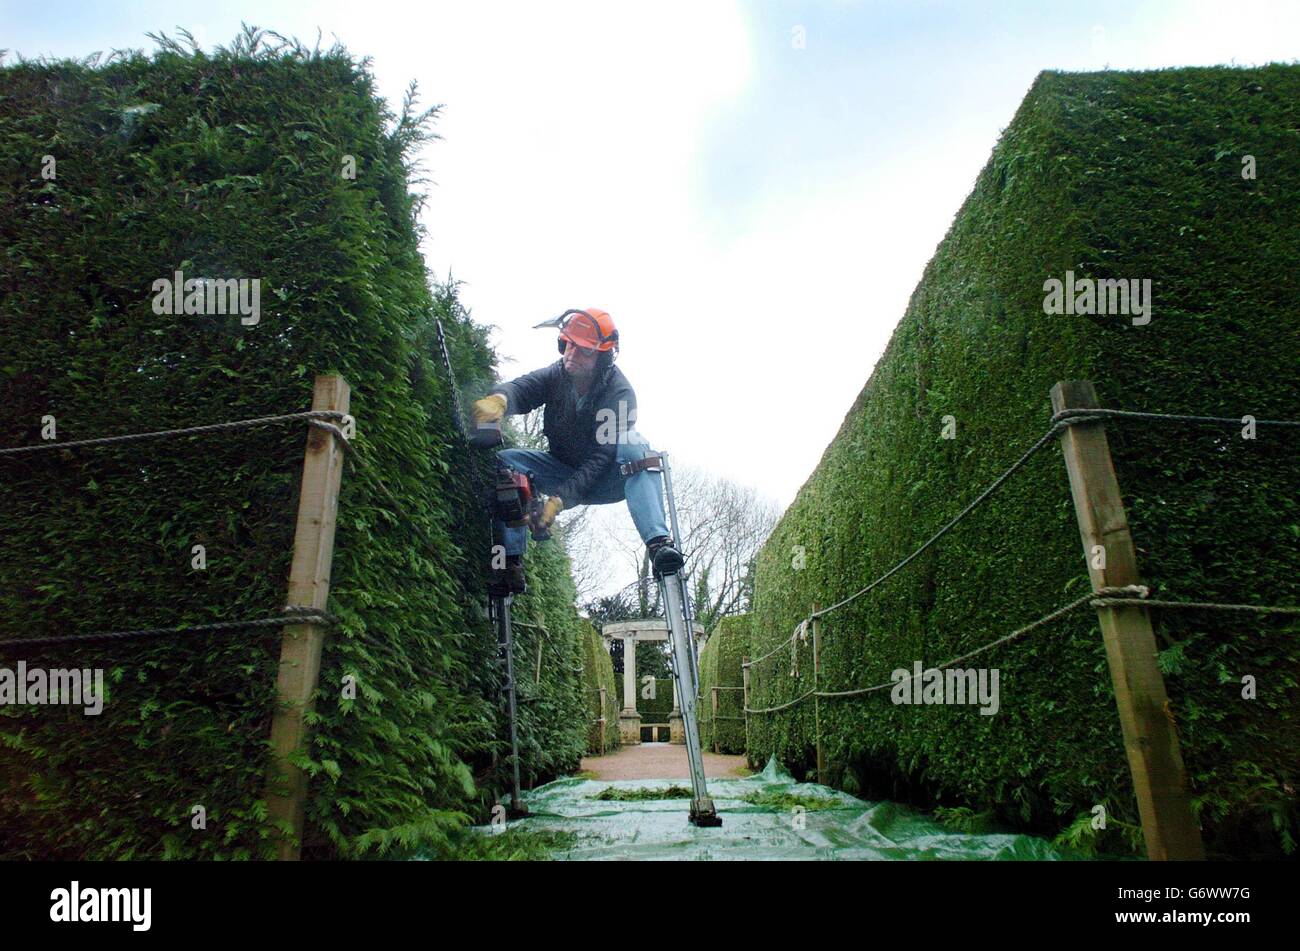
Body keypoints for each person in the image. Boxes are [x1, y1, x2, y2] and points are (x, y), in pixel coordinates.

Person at [472, 307, 683, 595]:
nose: (571, 354)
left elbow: (600, 459)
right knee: (506, 463)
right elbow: (524, 388)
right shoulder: (556, 375)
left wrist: (559, 501)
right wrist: (500, 400)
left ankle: (659, 545)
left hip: (609, 479)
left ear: (602, 357)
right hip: (562, 469)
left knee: (635, 445)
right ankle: (509, 563)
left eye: (583, 350)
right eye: (567, 344)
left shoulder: (619, 395)